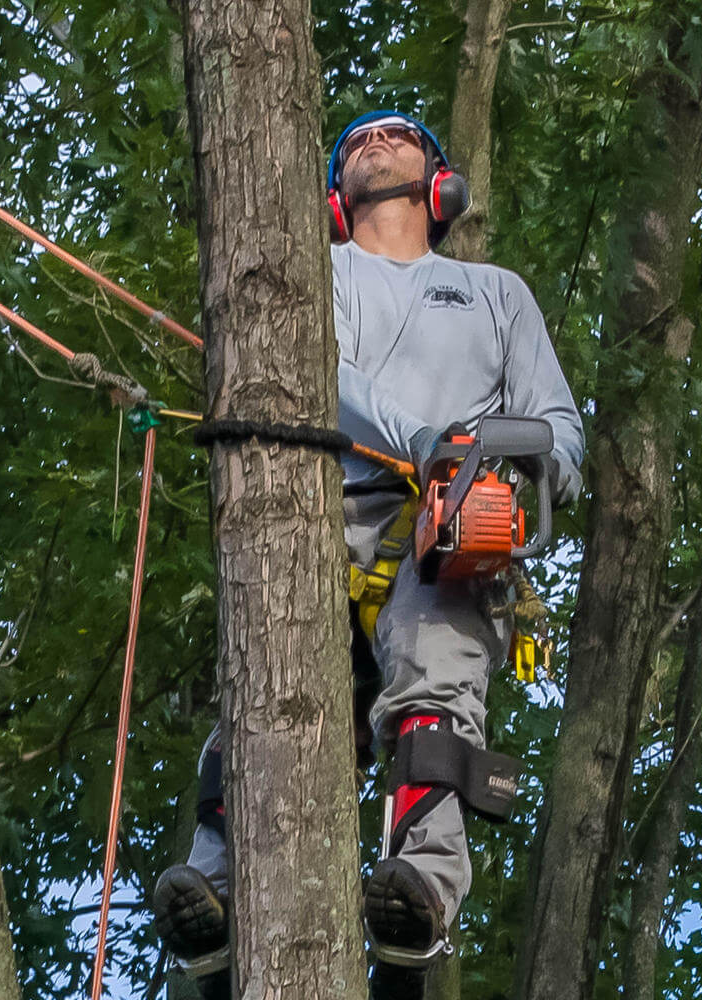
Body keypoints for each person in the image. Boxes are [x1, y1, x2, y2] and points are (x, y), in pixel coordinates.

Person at [152, 109, 584, 998]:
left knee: (435, 691)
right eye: (354, 140)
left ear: (440, 182)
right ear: (333, 196)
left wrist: (488, 465)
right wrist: (420, 434)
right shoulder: (317, 279)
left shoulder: (495, 292)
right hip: (313, 509)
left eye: (399, 134)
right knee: (259, 705)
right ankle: (216, 897)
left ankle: (416, 890)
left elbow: (562, 433)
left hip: (443, 526)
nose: (374, 140)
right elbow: (315, 375)